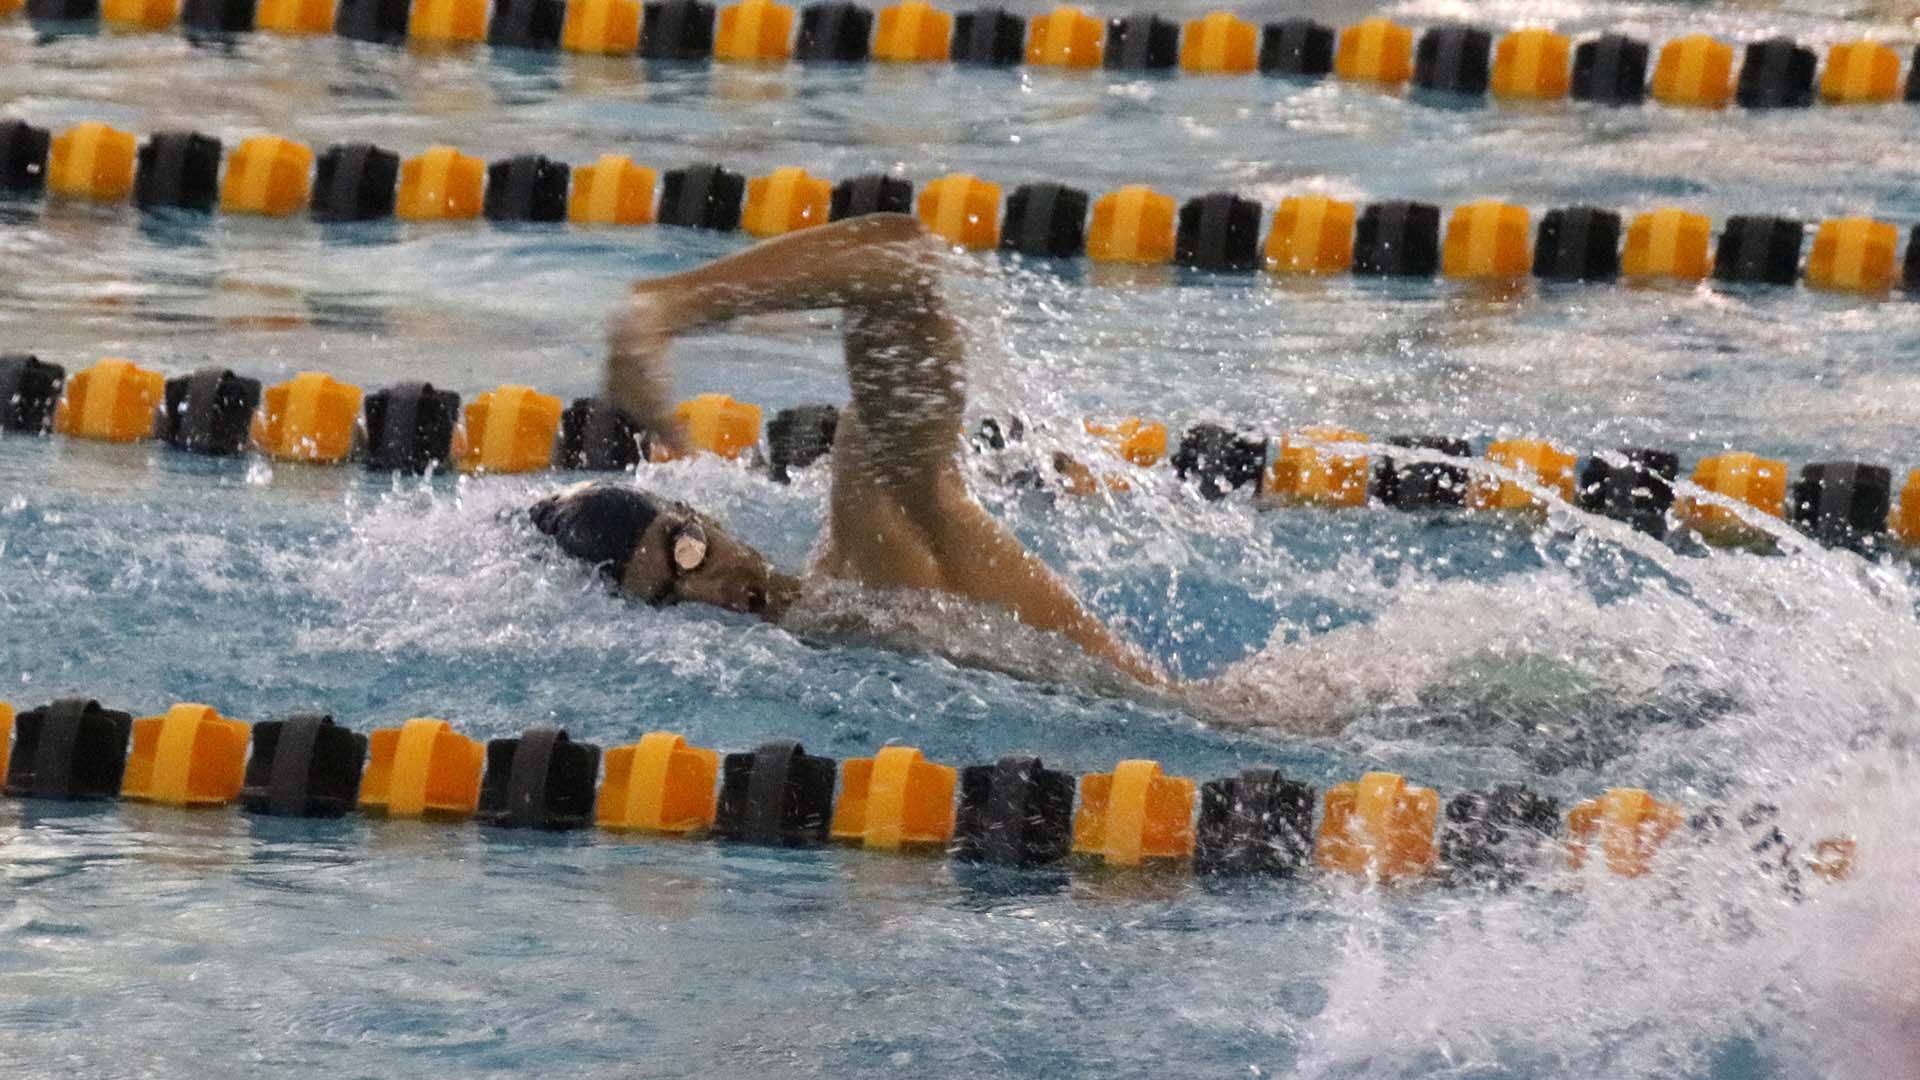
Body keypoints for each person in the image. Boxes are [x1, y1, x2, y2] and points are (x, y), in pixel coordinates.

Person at [530, 213, 1168, 689]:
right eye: (670, 594)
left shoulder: (869, 534)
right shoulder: (825, 627)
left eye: (686, 548)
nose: (707, 586)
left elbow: (899, 259)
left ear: (710, 520)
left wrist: (672, 305)